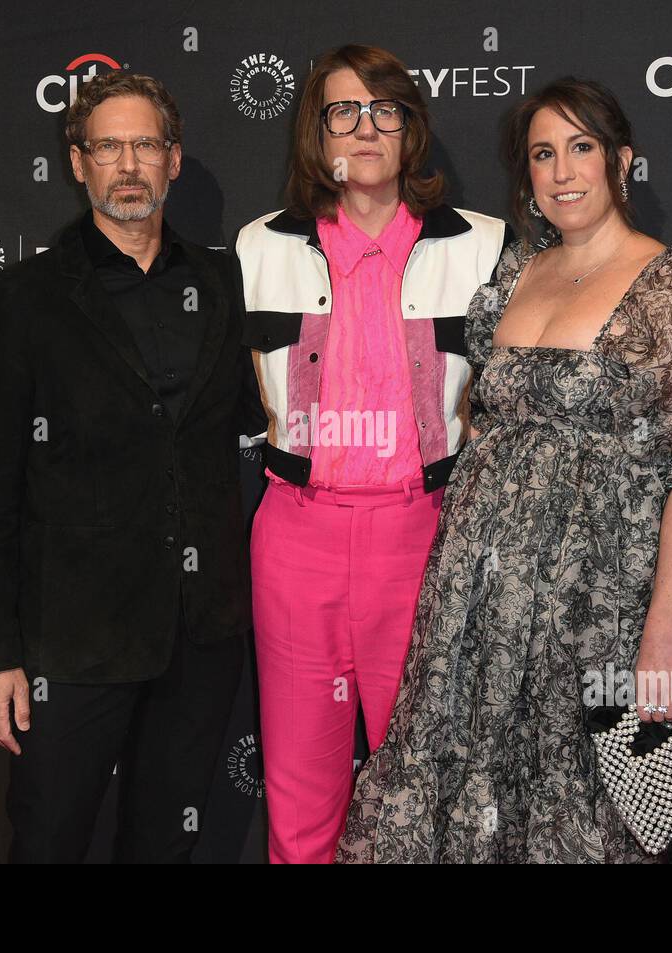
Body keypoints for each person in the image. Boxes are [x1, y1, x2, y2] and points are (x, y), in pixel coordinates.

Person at [334, 77, 672, 863]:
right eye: (544, 154)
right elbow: (490, 421)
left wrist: (662, 634)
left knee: (600, 802)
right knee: (489, 786)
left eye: (582, 148)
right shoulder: (515, 273)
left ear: (622, 161)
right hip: (491, 602)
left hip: (609, 594)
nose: (564, 171)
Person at [0, 71, 265, 863]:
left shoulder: (222, 281)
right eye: (109, 146)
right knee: (50, 841)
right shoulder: (18, 301)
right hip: (70, 644)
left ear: (175, 159)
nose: (130, 164)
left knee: (164, 846)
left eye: (146, 145)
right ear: (78, 161)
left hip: (198, 636)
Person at [234, 44, 510, 863]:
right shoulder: (258, 248)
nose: (363, 127)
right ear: (316, 134)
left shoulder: (483, 245)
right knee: (300, 787)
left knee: (425, 779)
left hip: (424, 538)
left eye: (384, 109)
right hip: (296, 537)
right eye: (342, 111)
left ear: (411, 128)